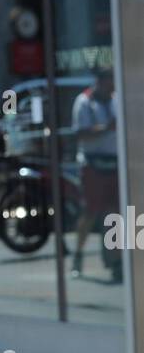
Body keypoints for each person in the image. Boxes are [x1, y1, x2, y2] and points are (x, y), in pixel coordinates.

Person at [70, 67, 120, 281]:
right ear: (99, 82)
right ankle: (78, 254)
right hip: (92, 163)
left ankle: (115, 260)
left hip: (115, 161)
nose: (112, 87)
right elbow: (80, 134)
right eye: (108, 82)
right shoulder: (84, 102)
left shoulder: (117, 99)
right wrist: (105, 129)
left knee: (115, 212)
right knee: (90, 211)